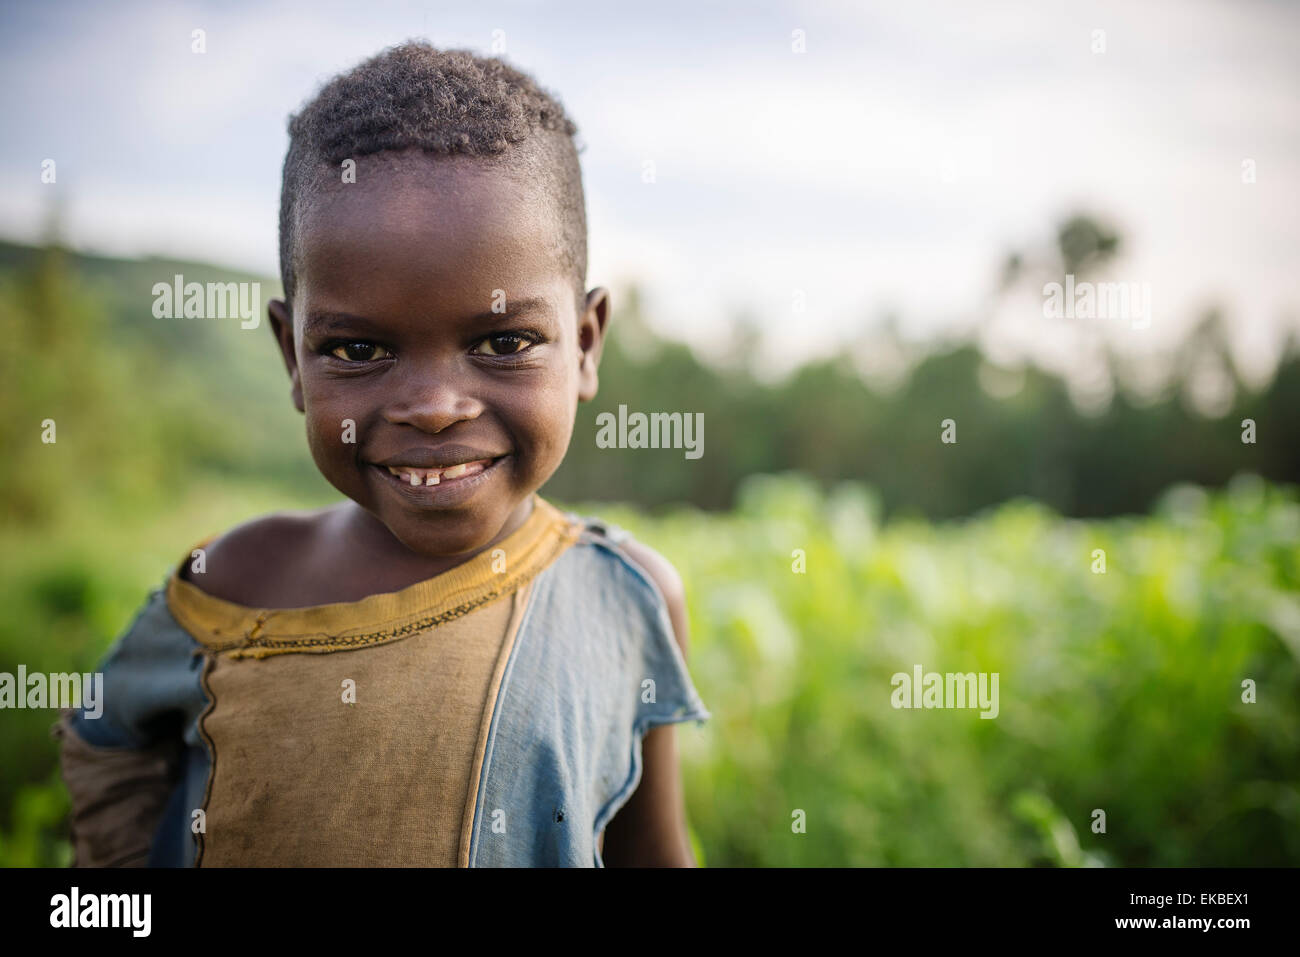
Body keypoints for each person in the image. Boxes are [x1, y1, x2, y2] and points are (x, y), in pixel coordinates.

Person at [54, 41, 709, 868]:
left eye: (505, 340)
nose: (435, 407)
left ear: (583, 344)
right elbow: (106, 741)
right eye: (360, 351)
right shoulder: (239, 580)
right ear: (294, 358)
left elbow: (653, 852)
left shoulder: (629, 597)